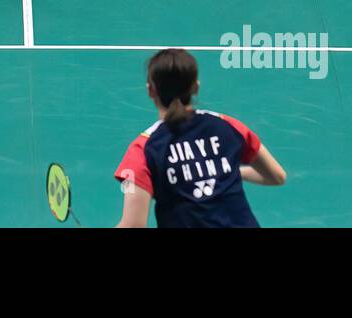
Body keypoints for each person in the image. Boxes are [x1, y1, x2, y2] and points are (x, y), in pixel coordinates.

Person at [114, 48, 287, 228]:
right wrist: (222, 171)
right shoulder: (229, 126)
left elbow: (133, 225)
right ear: (196, 87)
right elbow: (277, 176)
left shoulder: (142, 149)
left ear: (150, 90)